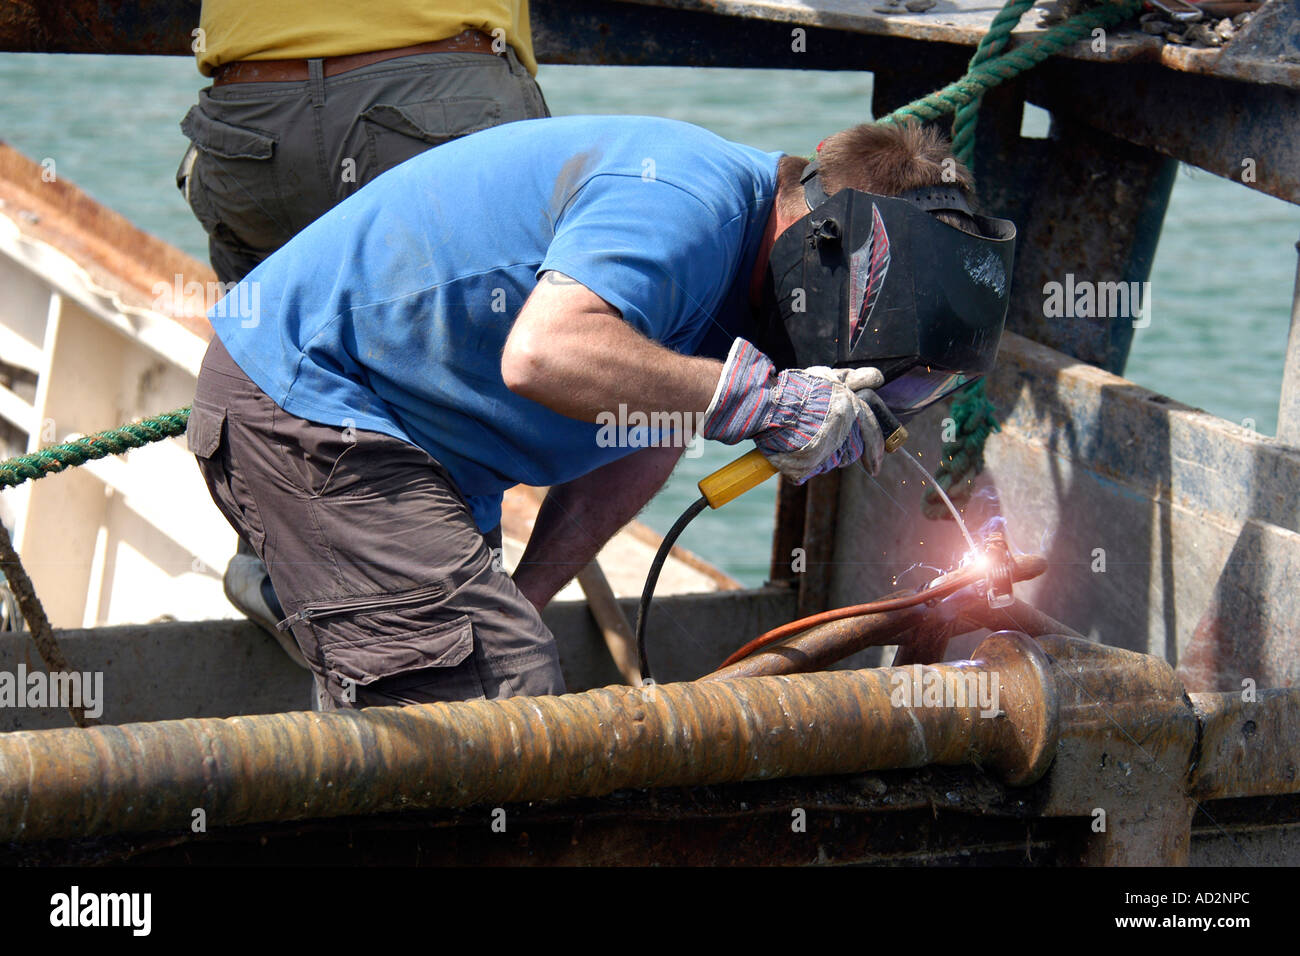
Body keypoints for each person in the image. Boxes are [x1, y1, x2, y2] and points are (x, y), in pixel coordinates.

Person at [187, 115, 1002, 709]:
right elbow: (544, 352)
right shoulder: (688, 199)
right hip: (310, 400)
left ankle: (329, 606)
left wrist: (524, 596)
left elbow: (640, 435)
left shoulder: (749, 289)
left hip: (422, 450)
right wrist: (756, 397)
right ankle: (313, 587)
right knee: (498, 704)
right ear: (830, 253)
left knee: (469, 666)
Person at [175, 1, 550, 663]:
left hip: (252, 125)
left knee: (281, 346)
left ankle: (275, 568)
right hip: (435, 108)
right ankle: (452, 625)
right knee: (455, 364)